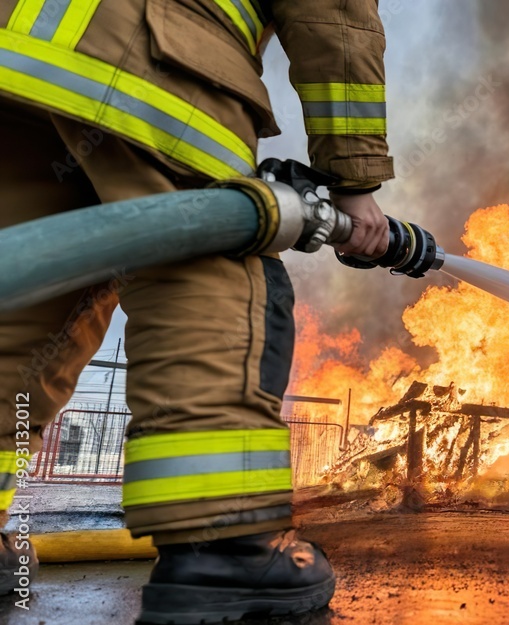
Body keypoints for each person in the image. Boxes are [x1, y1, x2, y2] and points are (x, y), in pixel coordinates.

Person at [0, 0, 392, 621]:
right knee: (209, 270)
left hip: (14, 63)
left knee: (24, 308)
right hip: (144, 58)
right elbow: (334, 14)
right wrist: (355, 179)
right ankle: (225, 541)